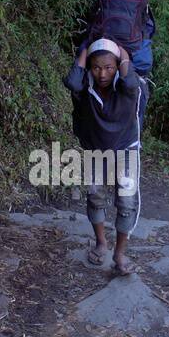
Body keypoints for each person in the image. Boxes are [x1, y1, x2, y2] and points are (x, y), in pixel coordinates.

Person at [62, 38, 148, 275]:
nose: (102, 73)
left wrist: (124, 56)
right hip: (96, 150)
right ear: (90, 66)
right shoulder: (85, 87)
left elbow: (130, 80)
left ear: (118, 66)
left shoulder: (129, 87)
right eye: (97, 67)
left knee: (127, 203)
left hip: (126, 149)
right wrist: (83, 51)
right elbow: (71, 81)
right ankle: (101, 243)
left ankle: (120, 254)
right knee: (95, 196)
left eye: (109, 67)